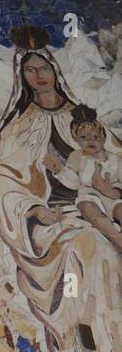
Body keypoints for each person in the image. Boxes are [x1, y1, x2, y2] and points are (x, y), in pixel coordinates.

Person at [0, 24, 122, 352]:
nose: (38, 76)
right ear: (22, 79)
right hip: (61, 219)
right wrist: (32, 207)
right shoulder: (22, 127)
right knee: (89, 249)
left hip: (100, 202)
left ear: (56, 72)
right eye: (30, 71)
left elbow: (112, 159)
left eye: (44, 68)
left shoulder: (84, 119)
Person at [54, 105, 122, 252]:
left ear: (103, 137)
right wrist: (59, 170)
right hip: (90, 197)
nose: (90, 141)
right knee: (86, 207)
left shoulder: (114, 159)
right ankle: (116, 238)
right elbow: (73, 183)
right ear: (76, 139)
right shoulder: (77, 157)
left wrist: (110, 191)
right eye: (83, 137)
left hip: (113, 198)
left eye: (96, 137)